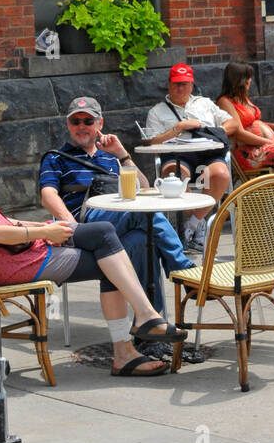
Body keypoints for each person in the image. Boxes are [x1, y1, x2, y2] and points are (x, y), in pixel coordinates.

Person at [0, 108, 185, 378]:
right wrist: (43, 235)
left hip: (10, 253)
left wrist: (42, 226)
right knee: (109, 256)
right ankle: (133, 338)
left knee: (109, 236)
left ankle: (142, 323)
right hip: (9, 261)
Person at [39, 97, 193, 314]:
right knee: (144, 216)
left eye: (88, 121)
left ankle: (151, 330)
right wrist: (73, 226)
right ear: (68, 125)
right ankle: (183, 270)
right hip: (86, 224)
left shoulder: (110, 157)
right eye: (76, 121)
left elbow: (143, 186)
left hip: (116, 224)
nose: (81, 126)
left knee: (142, 240)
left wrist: (122, 154)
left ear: (100, 124)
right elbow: (48, 196)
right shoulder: (56, 158)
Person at [143, 62, 237, 250]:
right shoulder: (157, 111)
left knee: (222, 174)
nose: (181, 88)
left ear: (192, 85)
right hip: (177, 157)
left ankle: (192, 224)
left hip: (207, 155)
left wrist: (211, 132)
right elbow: (152, 142)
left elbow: (233, 124)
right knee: (175, 175)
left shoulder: (205, 103)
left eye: (185, 84)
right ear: (169, 85)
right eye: (177, 83)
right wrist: (178, 129)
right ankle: (198, 225)